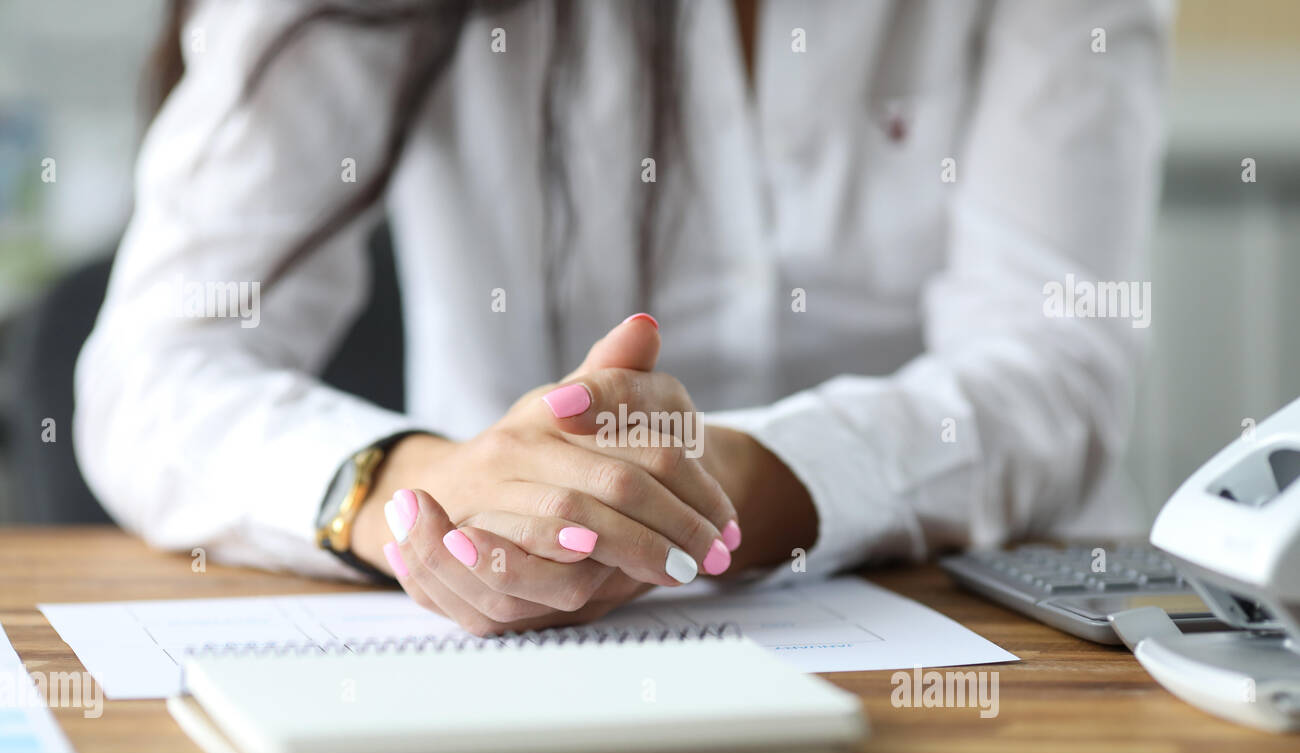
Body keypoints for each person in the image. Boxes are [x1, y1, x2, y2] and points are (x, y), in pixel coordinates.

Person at [74, 0, 1171, 634]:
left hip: (1000, 644)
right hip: (501, 639)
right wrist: (414, 493)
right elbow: (155, 365)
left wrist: (733, 483)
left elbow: (1054, 360)